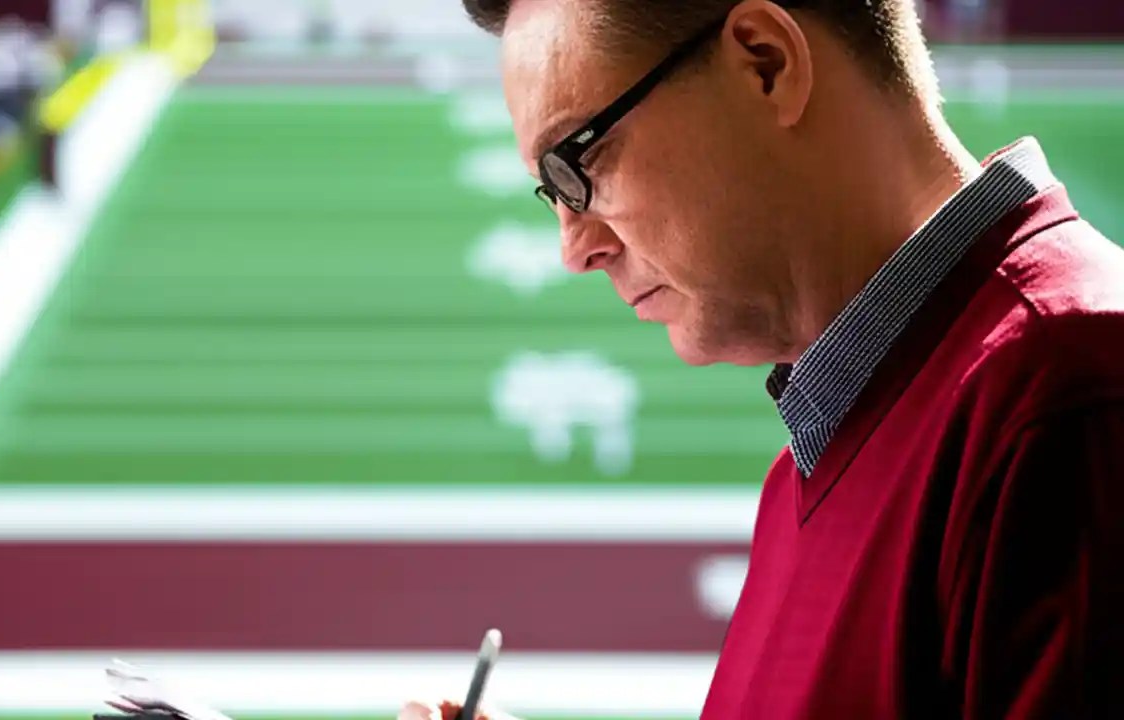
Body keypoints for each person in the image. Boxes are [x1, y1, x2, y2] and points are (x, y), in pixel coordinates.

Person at [400, 0, 1124, 717]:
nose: (575, 248)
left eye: (580, 163)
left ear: (766, 64)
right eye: (552, 192)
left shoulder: (1073, 399)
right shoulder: (826, 456)